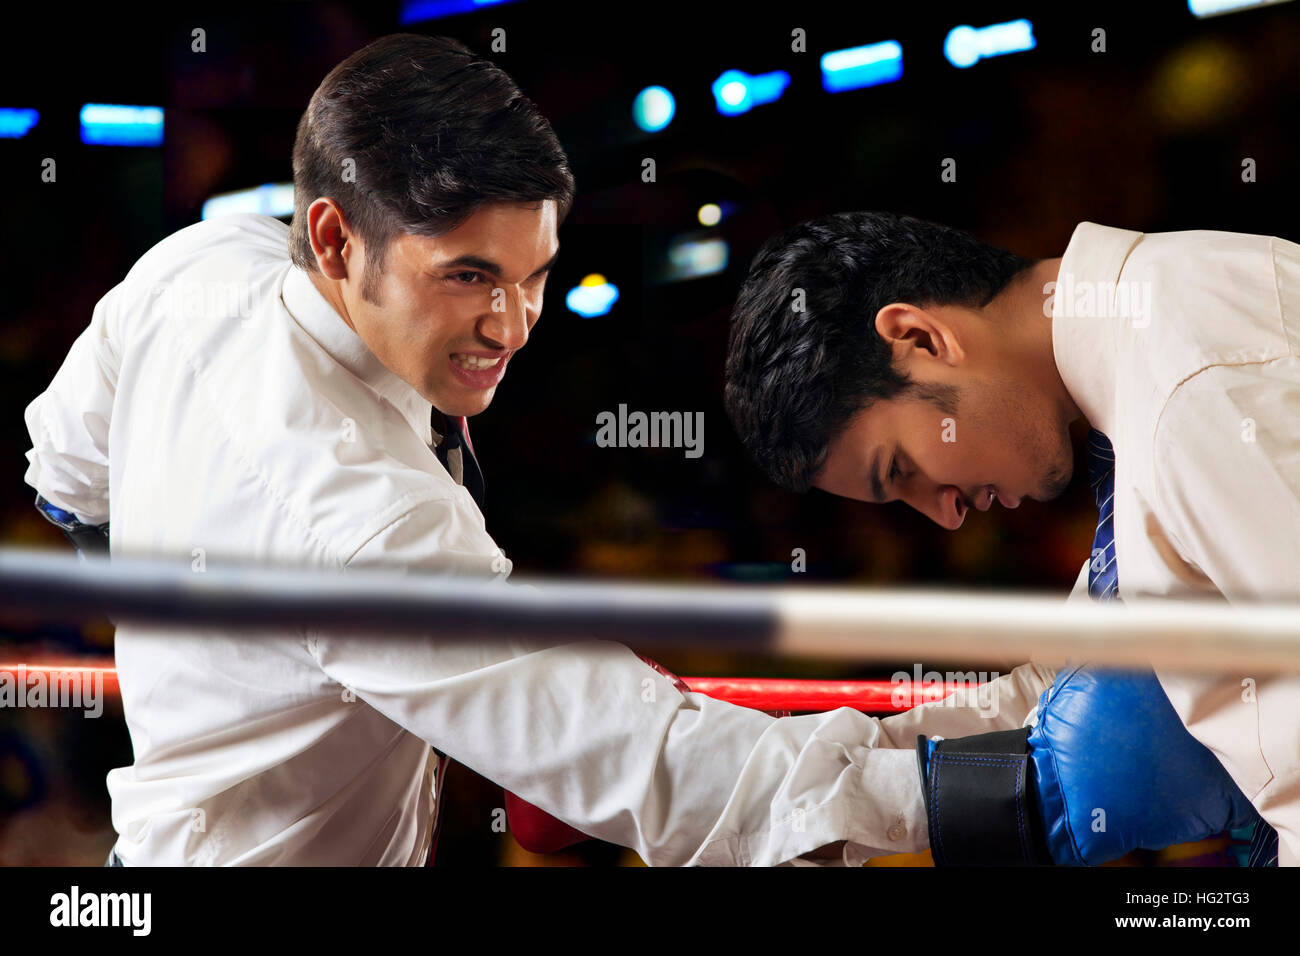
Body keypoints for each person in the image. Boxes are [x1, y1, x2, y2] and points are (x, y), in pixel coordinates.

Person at [24, 33, 1053, 868]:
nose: (513, 325)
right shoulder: (352, 520)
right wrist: (996, 794)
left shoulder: (198, 265)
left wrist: (209, 635)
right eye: (468, 276)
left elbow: (65, 463)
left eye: (536, 274)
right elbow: (646, 763)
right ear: (337, 240)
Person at [724, 210, 1300, 865]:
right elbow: (1058, 692)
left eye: (901, 470)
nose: (945, 517)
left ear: (920, 338)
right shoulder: (1147, 363)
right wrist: (803, 787)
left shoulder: (1195, 385)